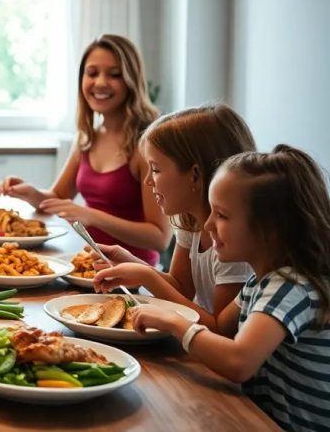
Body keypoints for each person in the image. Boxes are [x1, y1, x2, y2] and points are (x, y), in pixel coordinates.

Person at [131, 146, 330, 432]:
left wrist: (175, 323)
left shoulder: (289, 285)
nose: (209, 224)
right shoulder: (259, 281)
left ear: (271, 228)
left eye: (222, 215)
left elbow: (239, 362)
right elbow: (219, 329)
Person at [0, 34, 170, 265]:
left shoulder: (148, 144)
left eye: (114, 74)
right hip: (90, 268)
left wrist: (91, 216)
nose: (100, 82)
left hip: (136, 277)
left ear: (131, 80)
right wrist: (31, 193)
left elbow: (160, 238)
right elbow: (58, 198)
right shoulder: (87, 139)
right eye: (92, 73)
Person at [91, 104, 255, 331]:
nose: (148, 181)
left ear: (195, 176)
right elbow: (181, 288)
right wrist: (132, 262)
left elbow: (220, 330)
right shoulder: (192, 224)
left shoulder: (233, 245)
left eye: (156, 170)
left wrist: (147, 276)